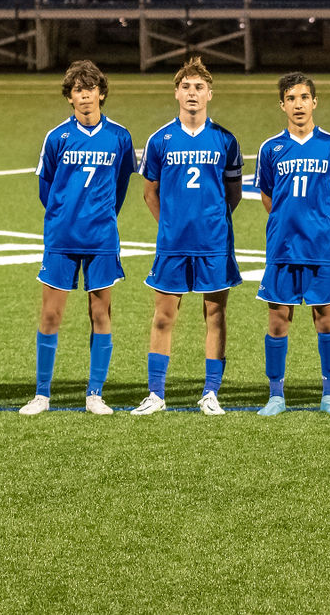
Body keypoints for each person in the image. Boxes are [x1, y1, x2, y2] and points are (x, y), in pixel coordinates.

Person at [22, 61, 136, 417]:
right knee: (51, 315)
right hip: (62, 236)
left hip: (101, 237)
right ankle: (42, 394)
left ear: (101, 93)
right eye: (77, 90)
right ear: (69, 97)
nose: (84, 95)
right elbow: (47, 188)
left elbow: (120, 187)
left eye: (90, 89)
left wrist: (100, 215)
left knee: (100, 313)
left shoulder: (120, 136)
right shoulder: (57, 137)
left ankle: (95, 394)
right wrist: (64, 213)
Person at [131, 57, 244, 416]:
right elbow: (150, 191)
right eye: (186, 87)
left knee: (215, 314)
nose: (192, 93)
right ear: (176, 93)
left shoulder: (225, 139)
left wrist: (211, 221)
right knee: (163, 315)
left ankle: (211, 393)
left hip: (213, 243)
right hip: (173, 244)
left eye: (199, 87)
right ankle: (156, 393)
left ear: (210, 93)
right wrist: (171, 225)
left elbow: (234, 193)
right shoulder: (160, 139)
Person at [254, 73, 330, 417]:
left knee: (326, 319)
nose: (298, 104)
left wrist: (323, 223)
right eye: (291, 98)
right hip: (282, 246)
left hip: (320, 248)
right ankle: (276, 395)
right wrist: (287, 220)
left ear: (315, 102)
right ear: (282, 105)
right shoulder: (271, 148)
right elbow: (268, 196)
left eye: (304, 97)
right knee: (278, 321)